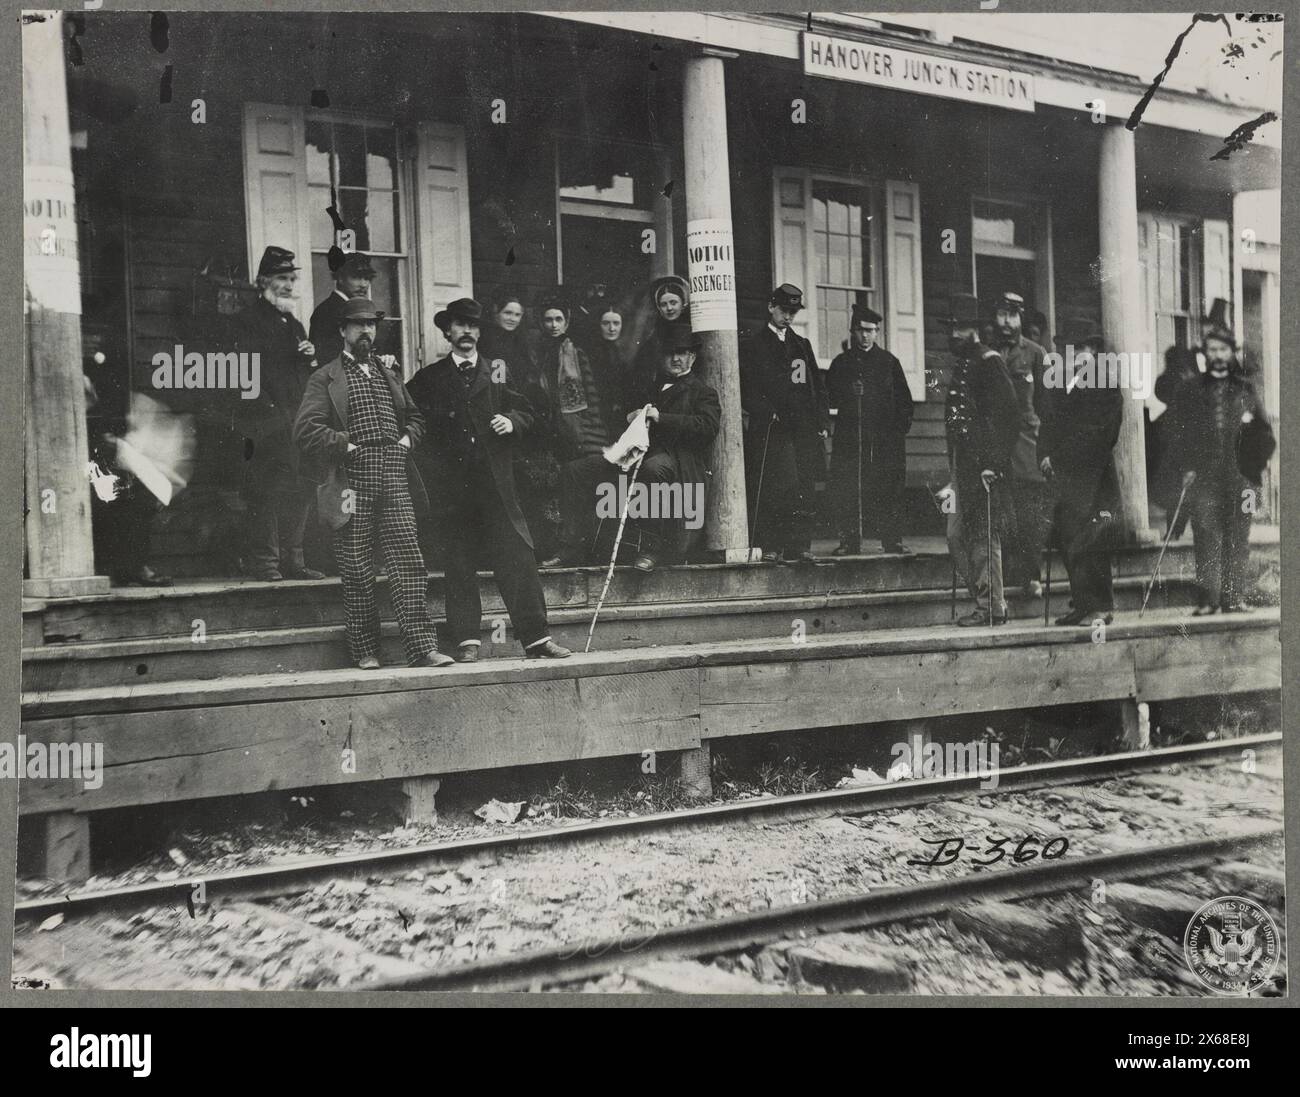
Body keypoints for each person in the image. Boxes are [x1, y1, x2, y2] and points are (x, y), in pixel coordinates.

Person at [406, 297, 571, 662]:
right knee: (459, 562)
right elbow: (413, 423)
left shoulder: (497, 370)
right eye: (460, 325)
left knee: (517, 556)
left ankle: (536, 638)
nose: (467, 332)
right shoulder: (429, 378)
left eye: (473, 325)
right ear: (447, 331)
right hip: (453, 490)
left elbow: (527, 409)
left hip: (495, 485)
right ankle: (466, 641)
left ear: (480, 332)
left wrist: (512, 420)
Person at [293, 297, 453, 669]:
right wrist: (344, 445)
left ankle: (422, 648)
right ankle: (365, 650)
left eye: (371, 324)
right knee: (357, 565)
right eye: (358, 324)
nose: (366, 331)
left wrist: (407, 440)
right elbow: (306, 429)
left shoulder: (388, 373)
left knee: (408, 562)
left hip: (395, 475)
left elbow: (414, 416)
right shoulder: (325, 377)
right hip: (351, 480)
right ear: (342, 331)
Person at [1166, 327, 1273, 615]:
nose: (1218, 356)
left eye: (1223, 350)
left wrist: (1255, 467)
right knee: (1206, 535)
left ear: (1232, 353)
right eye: (1212, 350)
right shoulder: (1188, 390)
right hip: (1204, 477)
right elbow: (1176, 433)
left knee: (1239, 536)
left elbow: (1264, 433)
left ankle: (1234, 598)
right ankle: (1208, 600)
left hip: (1243, 479)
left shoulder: (1246, 389)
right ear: (1204, 354)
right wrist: (1186, 466)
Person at [237, 245, 326, 582]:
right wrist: (270, 415)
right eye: (281, 278)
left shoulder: (294, 323)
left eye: (291, 278)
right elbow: (244, 376)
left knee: (301, 488)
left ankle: (294, 560)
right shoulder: (247, 322)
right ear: (263, 281)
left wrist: (310, 356)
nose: (289, 284)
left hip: (298, 421)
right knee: (268, 491)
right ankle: (266, 562)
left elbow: (303, 374)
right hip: (266, 423)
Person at [1038, 320, 1123, 626]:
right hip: (1066, 481)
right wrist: (1044, 455)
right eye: (1067, 350)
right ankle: (1083, 604)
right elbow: (1048, 425)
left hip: (1094, 478)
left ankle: (1100, 606)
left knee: (1092, 542)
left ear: (1094, 352)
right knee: (1069, 540)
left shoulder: (1105, 386)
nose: (1073, 356)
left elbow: (1097, 435)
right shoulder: (1062, 386)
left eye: (1080, 350)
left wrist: (1057, 458)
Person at [943, 293, 1020, 627]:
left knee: (983, 535)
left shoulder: (989, 361)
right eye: (952, 328)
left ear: (974, 330)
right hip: (964, 463)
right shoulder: (966, 361)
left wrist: (994, 463)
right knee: (957, 535)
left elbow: (1009, 416)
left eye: (960, 328)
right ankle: (990, 600)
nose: (954, 335)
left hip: (984, 467)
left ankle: (990, 606)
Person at [740, 283, 830, 563]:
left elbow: (815, 384)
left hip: (802, 427)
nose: (788, 317)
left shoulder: (801, 345)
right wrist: (766, 410)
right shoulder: (754, 345)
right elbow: (746, 386)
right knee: (775, 485)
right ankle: (770, 544)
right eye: (784, 310)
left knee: (803, 485)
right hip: (771, 428)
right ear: (771, 307)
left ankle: (799, 546)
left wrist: (821, 419)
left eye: (793, 312)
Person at [534, 298, 622, 567]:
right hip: (557, 435)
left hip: (582, 437)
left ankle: (576, 550)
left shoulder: (574, 353)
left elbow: (588, 401)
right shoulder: (542, 352)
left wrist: (589, 441)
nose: (553, 325)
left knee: (578, 477)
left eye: (559, 319)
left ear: (567, 322)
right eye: (548, 320)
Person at [629, 325, 721, 572]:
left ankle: (651, 547)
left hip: (683, 463)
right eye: (670, 353)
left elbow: (707, 426)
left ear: (692, 357)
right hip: (649, 454)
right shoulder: (651, 388)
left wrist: (662, 418)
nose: (676, 359)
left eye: (682, 353)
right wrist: (633, 418)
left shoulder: (703, 392)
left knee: (653, 469)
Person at [826, 304, 913, 555]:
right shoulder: (841, 363)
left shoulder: (889, 363)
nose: (866, 336)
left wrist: (897, 431)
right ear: (853, 331)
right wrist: (848, 392)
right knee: (848, 487)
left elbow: (905, 402)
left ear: (877, 333)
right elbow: (830, 397)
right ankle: (849, 541)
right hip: (852, 438)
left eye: (872, 330)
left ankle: (892, 540)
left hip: (884, 441)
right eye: (862, 330)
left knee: (889, 488)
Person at [990, 291, 1050, 596]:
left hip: (1027, 445)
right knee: (1002, 514)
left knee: (1029, 516)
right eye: (1001, 314)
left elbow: (1046, 404)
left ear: (1020, 318)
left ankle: (1032, 575)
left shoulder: (1036, 354)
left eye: (1012, 315)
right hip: (994, 445)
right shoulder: (986, 353)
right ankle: (1005, 576)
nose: (1006, 322)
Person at [629, 275, 690, 408]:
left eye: (673, 302)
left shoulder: (691, 330)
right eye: (664, 304)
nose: (669, 308)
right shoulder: (655, 335)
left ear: (683, 303)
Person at [309, 251, 377, 370]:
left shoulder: (357, 308)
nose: (364, 284)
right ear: (340, 278)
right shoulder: (326, 311)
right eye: (356, 277)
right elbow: (326, 358)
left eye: (367, 278)